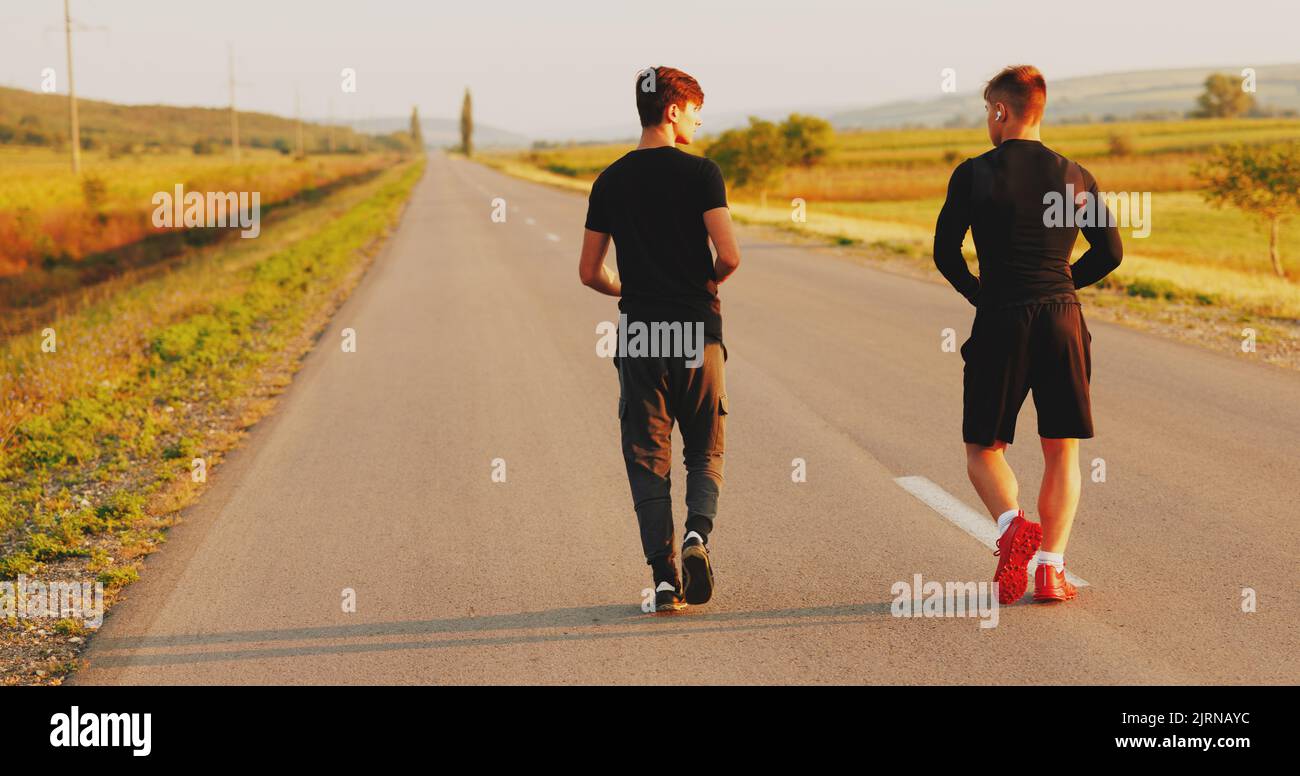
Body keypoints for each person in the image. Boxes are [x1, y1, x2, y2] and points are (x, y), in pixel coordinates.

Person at [933, 65, 1123, 605]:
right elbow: (1110, 253)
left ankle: (1012, 525)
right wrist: (1063, 286)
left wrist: (980, 294)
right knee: (1061, 450)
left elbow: (945, 253)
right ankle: (1051, 570)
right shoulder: (1075, 176)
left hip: (1001, 317)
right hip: (1061, 318)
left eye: (986, 110)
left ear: (1000, 110)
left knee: (983, 445)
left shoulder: (973, 173)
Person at [579, 66, 741, 613]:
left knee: (648, 457)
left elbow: (589, 272)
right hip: (697, 330)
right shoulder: (703, 174)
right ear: (672, 111)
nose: (698, 117)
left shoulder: (610, 180)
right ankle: (698, 534)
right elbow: (730, 254)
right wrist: (703, 284)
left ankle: (665, 580)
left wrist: (631, 287)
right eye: (695, 108)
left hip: (642, 334)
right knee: (704, 448)